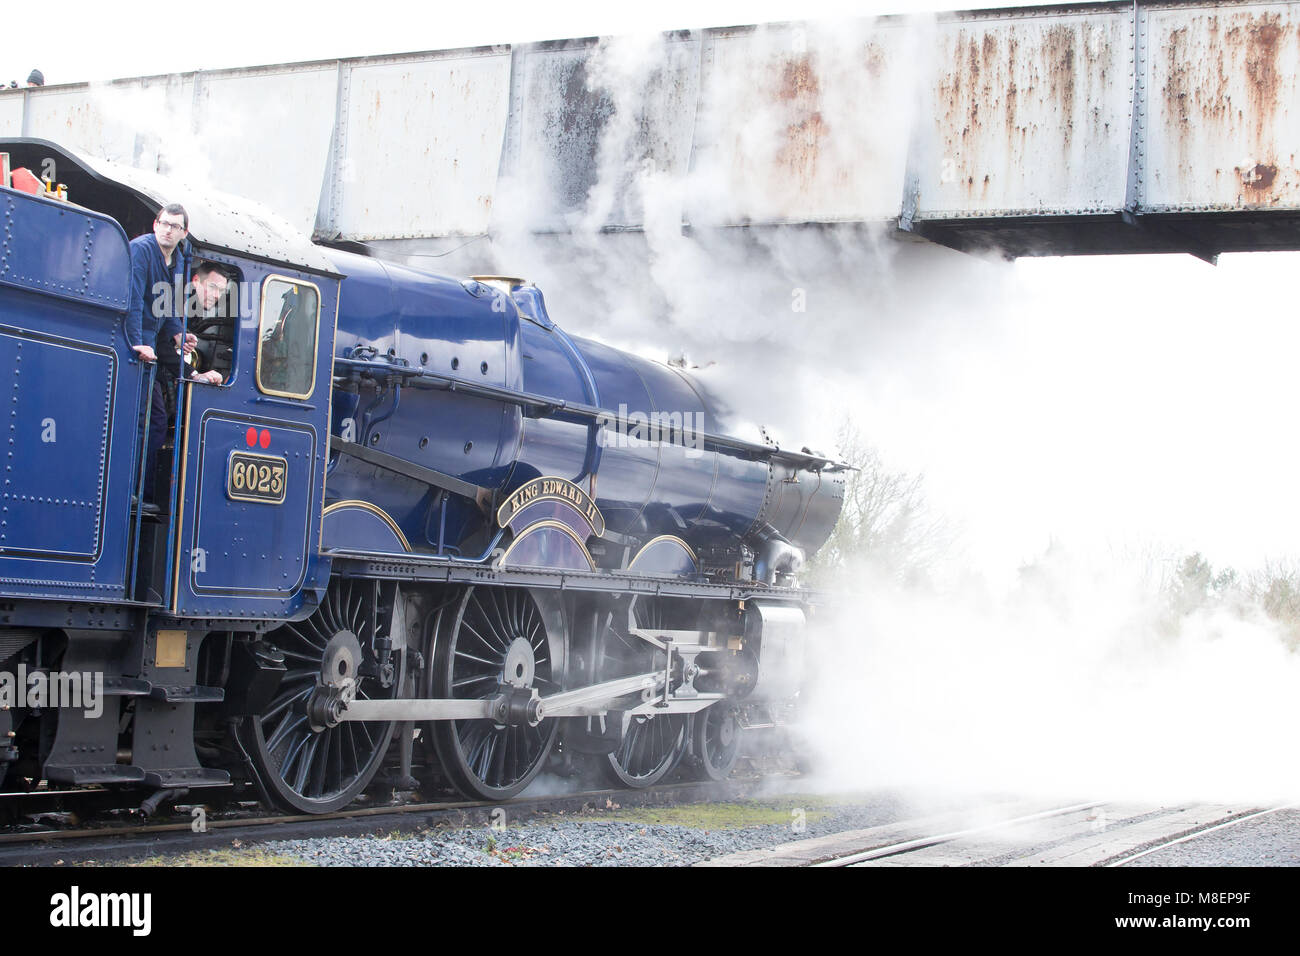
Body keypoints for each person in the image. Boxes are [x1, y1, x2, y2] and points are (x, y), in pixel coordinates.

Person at [126, 204, 191, 507]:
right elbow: (134, 300)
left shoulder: (178, 261)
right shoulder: (140, 251)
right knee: (139, 418)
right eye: (164, 223)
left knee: (156, 419)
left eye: (174, 226)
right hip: (131, 347)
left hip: (150, 348)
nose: (167, 229)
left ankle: (142, 489)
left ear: (183, 232)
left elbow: (168, 306)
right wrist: (138, 344)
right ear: (155, 225)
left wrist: (178, 332)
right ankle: (129, 488)